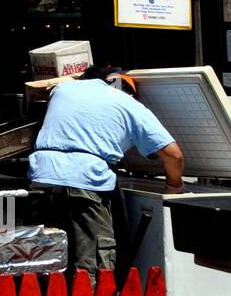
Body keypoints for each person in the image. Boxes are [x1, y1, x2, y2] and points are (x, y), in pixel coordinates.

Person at [29, 67, 185, 278]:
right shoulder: (128, 103)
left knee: (48, 259)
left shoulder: (62, 90)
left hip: (41, 178)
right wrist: (174, 187)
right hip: (85, 181)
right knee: (92, 262)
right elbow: (174, 156)